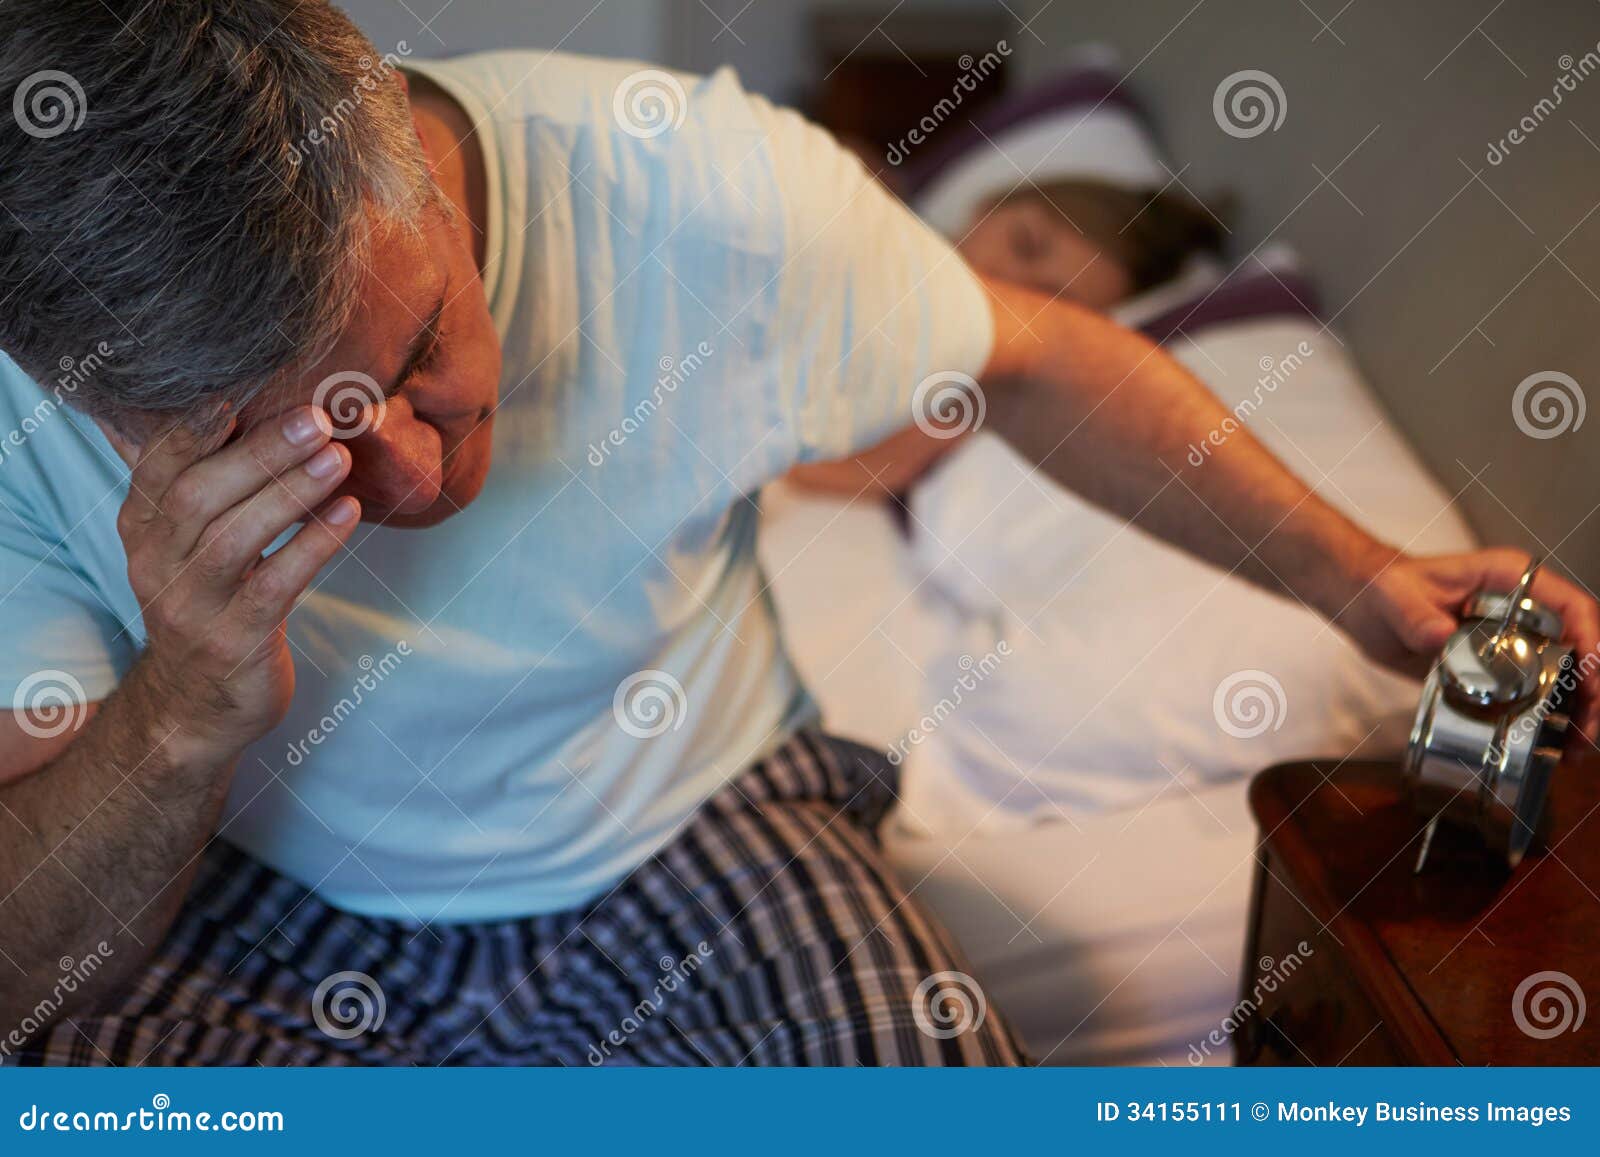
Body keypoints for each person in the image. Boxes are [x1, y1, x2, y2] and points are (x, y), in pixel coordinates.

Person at [0, 1, 1593, 1067]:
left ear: (415, 156)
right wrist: (181, 714)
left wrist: (1362, 578)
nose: (413, 476)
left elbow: (1034, 358)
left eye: (423, 352)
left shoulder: (689, 184)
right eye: (282, 444)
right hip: (257, 898)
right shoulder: (28, 410)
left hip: (693, 824)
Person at [790, 178, 1226, 495]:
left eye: (1042, 300)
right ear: (991, 204)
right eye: (1025, 244)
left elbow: (853, 469)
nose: (1005, 279)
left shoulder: (956, 389)